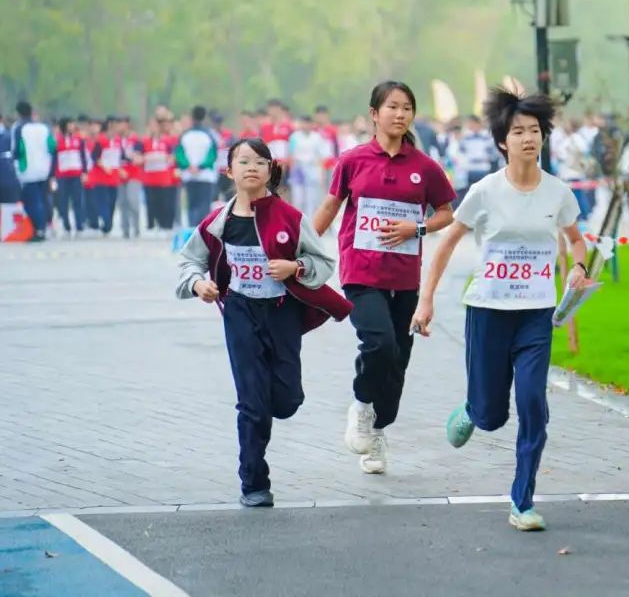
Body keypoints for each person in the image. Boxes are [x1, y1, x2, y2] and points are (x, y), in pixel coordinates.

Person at [410, 87, 589, 532]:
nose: (528, 138)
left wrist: (579, 266)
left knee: (533, 403)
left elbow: (576, 239)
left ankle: (522, 501)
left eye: (535, 131)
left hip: (535, 314)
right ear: (502, 142)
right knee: (492, 415)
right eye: (518, 131)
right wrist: (427, 298)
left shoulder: (558, 192)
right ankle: (474, 409)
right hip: (488, 311)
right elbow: (447, 241)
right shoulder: (485, 192)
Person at [176, 138, 352, 507]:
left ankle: (271, 403)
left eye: (260, 161)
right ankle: (254, 483)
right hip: (240, 313)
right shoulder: (217, 223)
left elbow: (323, 263)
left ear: (271, 169)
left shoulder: (291, 218)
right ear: (229, 171)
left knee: (286, 400)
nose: (251, 167)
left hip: (282, 312)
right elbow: (189, 260)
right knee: (251, 402)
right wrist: (198, 284)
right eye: (243, 161)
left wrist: (296, 267)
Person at [312, 81, 456, 475]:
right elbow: (329, 206)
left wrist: (418, 229)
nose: (400, 114)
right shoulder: (353, 160)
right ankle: (361, 406)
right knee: (378, 343)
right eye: (392, 107)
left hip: (404, 278)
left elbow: (447, 212)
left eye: (407, 107)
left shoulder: (424, 167)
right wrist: (302, 250)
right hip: (361, 272)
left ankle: (378, 431)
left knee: (398, 361)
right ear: (374, 114)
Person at [13, 101, 55, 242]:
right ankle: (44, 227)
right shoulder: (44, 128)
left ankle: (38, 230)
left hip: (27, 172)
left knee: (31, 202)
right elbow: (52, 147)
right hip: (44, 169)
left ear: (18, 113)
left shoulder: (18, 128)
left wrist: (17, 168)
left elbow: (17, 151)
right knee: (43, 200)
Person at [176, 106, 218, 227]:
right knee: (204, 206)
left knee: (192, 205)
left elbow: (179, 154)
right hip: (206, 176)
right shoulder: (209, 135)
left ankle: (191, 230)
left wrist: (189, 166)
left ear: (192, 117)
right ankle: (202, 232)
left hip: (189, 176)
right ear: (204, 117)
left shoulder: (185, 135)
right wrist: (200, 167)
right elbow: (212, 155)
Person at [141, 112, 178, 234]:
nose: (153, 128)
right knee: (151, 202)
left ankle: (165, 226)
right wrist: (148, 157)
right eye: (151, 125)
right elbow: (138, 157)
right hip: (149, 178)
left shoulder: (168, 141)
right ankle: (151, 226)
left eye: (155, 125)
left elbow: (172, 157)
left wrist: (163, 157)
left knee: (164, 202)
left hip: (163, 177)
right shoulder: (145, 141)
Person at [288, 115, 330, 216]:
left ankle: (309, 224)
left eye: (308, 123)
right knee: (298, 199)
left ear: (312, 125)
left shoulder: (317, 137)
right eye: (304, 123)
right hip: (298, 170)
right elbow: (291, 155)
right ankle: (296, 223)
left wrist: (321, 174)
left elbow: (322, 157)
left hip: (312, 170)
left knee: (310, 200)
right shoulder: (294, 137)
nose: (306, 126)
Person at [53, 117, 88, 237]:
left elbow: (83, 157)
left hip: (76, 174)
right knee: (63, 202)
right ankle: (66, 226)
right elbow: (53, 159)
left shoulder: (79, 140)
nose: (72, 126)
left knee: (77, 201)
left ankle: (79, 226)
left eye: (73, 124)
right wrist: (52, 176)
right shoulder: (56, 141)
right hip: (62, 175)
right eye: (69, 124)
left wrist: (84, 172)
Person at [116, 116, 144, 239]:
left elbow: (139, 157)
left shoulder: (135, 140)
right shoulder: (115, 141)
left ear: (127, 124)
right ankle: (125, 229)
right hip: (120, 174)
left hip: (133, 174)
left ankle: (136, 228)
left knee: (133, 200)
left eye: (121, 123)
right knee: (122, 202)